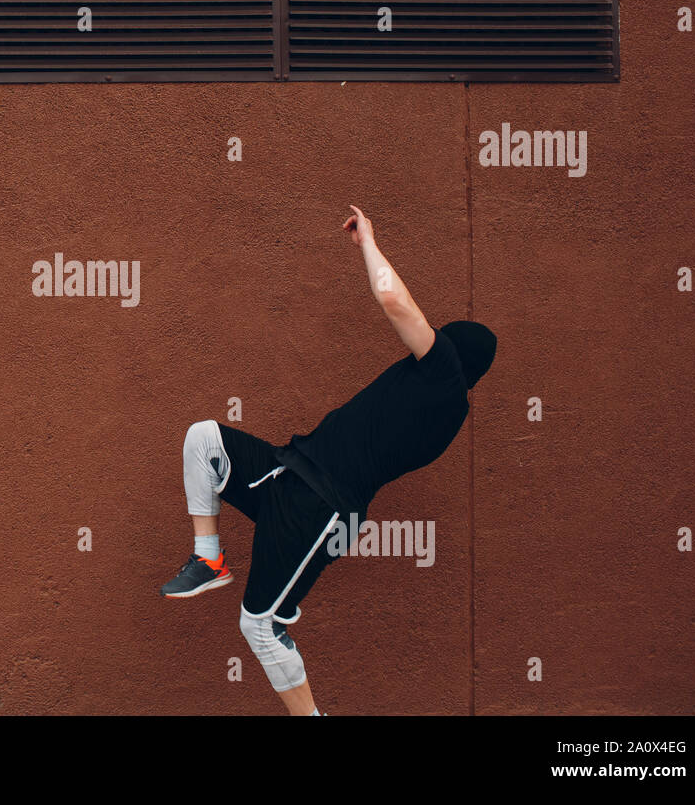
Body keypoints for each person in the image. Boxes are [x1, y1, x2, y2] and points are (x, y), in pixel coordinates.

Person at [161, 205, 497, 715]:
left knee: (259, 626)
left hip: (321, 507)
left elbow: (393, 300)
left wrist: (368, 242)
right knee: (204, 440)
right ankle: (210, 558)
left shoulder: (446, 382)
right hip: (287, 470)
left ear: (456, 357)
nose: (424, 343)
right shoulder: (437, 396)